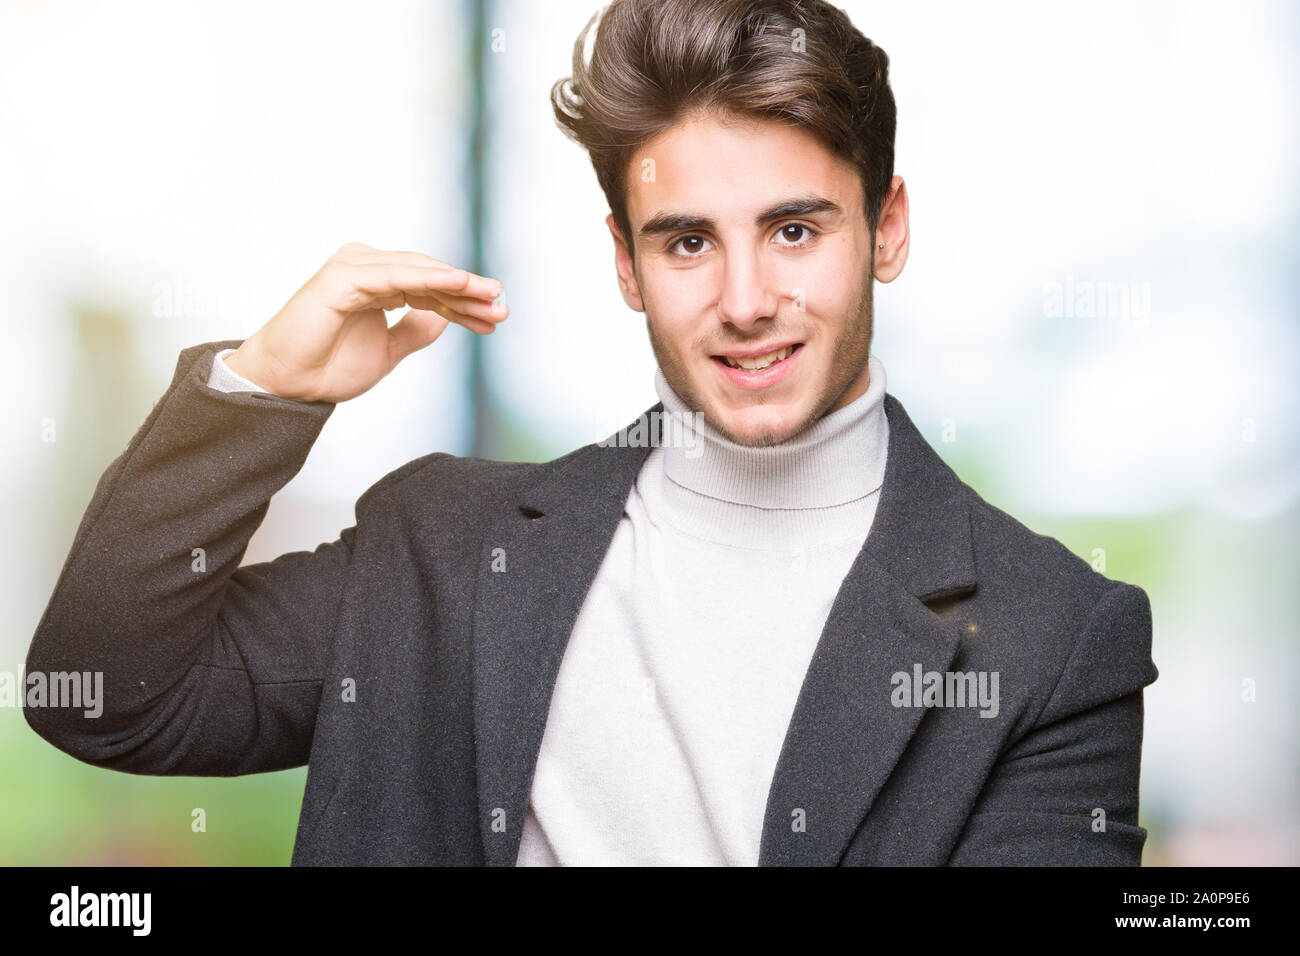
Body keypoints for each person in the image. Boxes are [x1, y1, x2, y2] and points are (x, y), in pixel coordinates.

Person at [23, 0, 1157, 866]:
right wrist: (261, 390)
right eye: (686, 243)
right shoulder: (443, 549)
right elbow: (104, 690)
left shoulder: (1049, 637)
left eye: (795, 228)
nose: (748, 296)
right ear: (626, 264)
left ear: (886, 227)